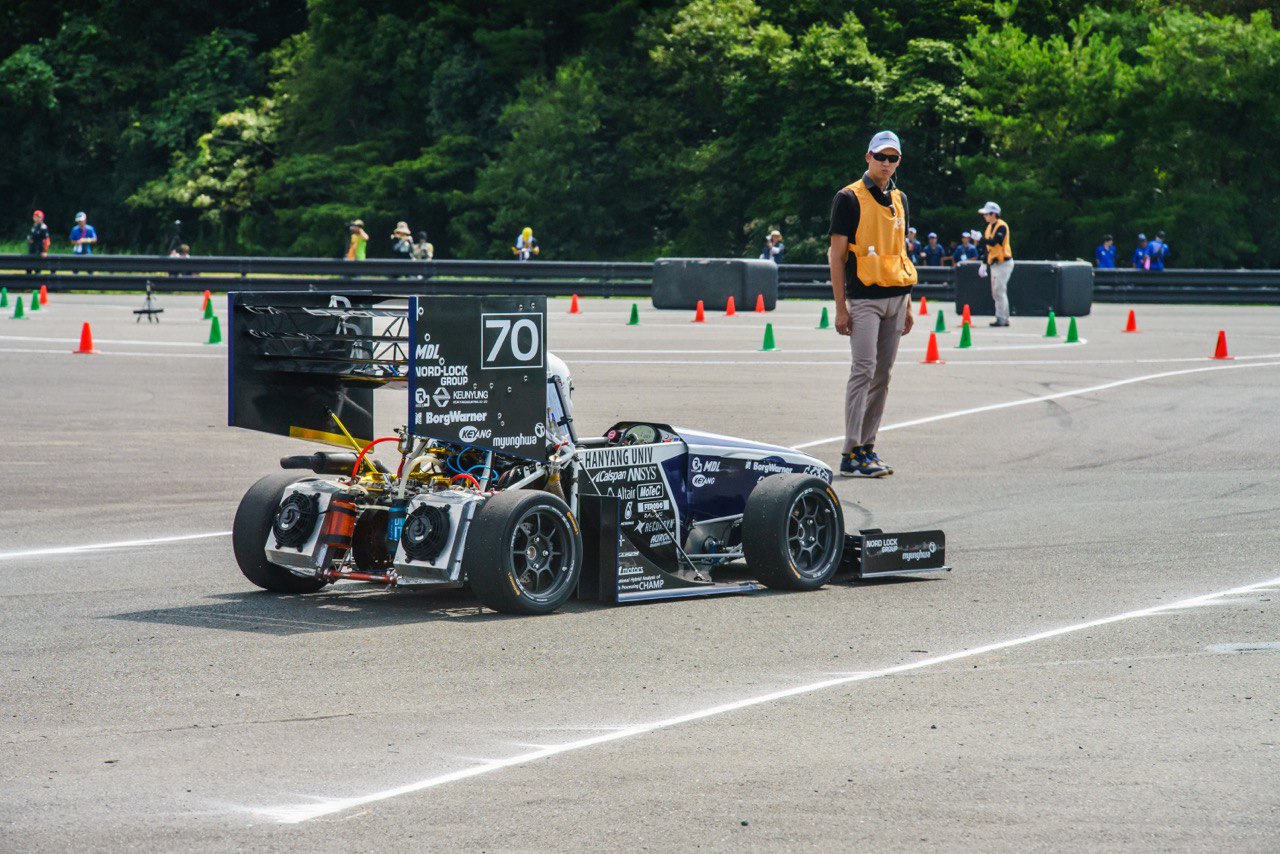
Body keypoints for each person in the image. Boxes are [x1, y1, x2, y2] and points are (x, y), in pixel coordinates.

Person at [828, 129, 916, 478]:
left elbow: (899, 252)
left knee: (883, 375)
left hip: (896, 296)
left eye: (892, 158)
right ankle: (851, 452)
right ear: (868, 157)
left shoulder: (900, 199)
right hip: (864, 299)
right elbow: (836, 257)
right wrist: (840, 307)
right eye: (880, 156)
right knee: (863, 370)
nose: (886, 163)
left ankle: (868, 448)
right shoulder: (848, 198)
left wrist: (907, 303)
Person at [977, 201, 1013, 327]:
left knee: (999, 290)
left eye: (987, 214)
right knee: (996, 292)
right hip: (995, 263)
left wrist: (980, 238)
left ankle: (1002, 318)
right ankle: (1002, 317)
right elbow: (988, 248)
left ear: (994, 214)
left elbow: (995, 242)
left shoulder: (1002, 226)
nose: (985, 216)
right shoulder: (989, 228)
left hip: (1004, 262)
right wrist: (983, 263)